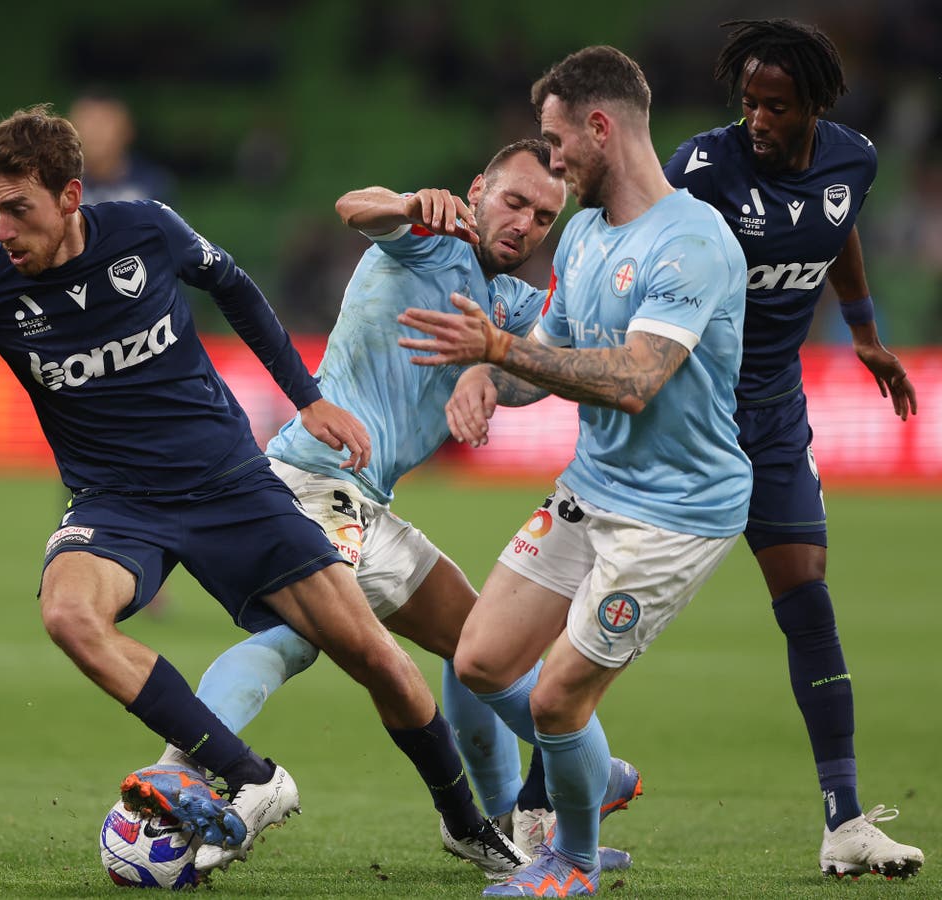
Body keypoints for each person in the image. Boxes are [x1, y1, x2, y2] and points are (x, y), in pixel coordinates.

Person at [0, 104, 514, 875]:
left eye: (18, 210)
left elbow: (237, 289)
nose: (4, 230)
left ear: (71, 198)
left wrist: (307, 397)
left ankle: (466, 821)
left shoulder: (147, 231)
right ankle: (252, 778)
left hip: (231, 483)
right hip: (116, 505)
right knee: (69, 616)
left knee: (375, 657)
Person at [160, 139, 638, 876]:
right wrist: (410, 202)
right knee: (300, 639)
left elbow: (545, 366)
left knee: (480, 645)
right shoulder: (427, 240)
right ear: (478, 190)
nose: (524, 224)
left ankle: (508, 813)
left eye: (544, 216)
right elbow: (357, 208)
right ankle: (182, 767)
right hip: (314, 482)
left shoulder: (512, 303)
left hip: (367, 506)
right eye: (513, 202)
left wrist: (490, 369)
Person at [398, 46, 751, 896]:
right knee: (480, 660)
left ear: (600, 128)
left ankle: (574, 863)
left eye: (557, 143)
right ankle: (593, 774)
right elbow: (546, 360)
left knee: (556, 701)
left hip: (674, 516)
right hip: (592, 490)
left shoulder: (692, 240)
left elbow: (634, 380)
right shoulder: (588, 235)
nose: (552, 162)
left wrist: (500, 346)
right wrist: (488, 374)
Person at [663, 19, 923, 880]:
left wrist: (865, 332)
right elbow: (636, 246)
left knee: (807, 597)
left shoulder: (854, 161)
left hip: (773, 417)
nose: (757, 119)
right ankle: (539, 795)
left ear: (816, 106)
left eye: (776, 105)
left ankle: (845, 820)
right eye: (749, 102)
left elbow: (833, 228)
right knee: (617, 609)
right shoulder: (705, 168)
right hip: (688, 418)